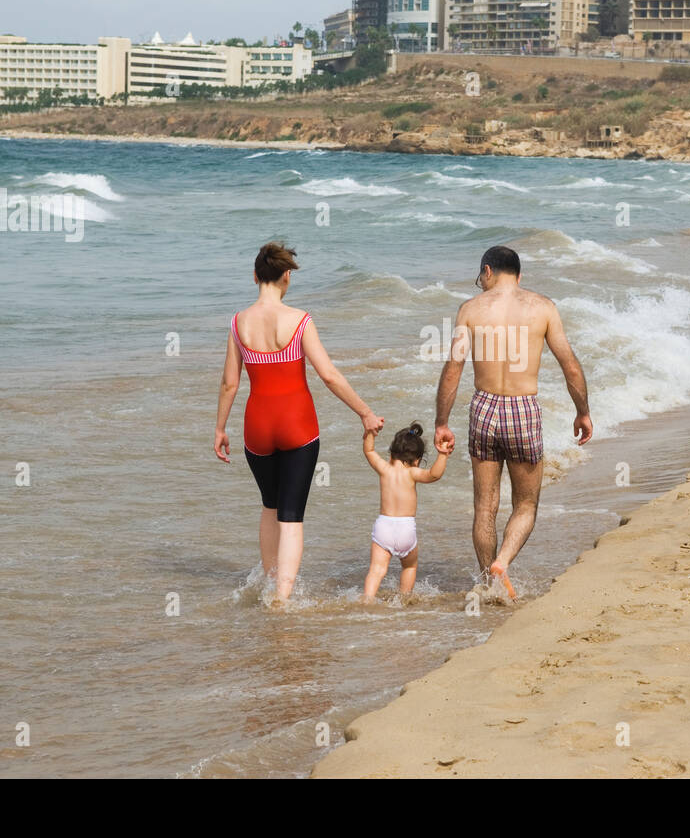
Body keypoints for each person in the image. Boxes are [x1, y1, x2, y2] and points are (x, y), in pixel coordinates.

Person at [214, 242, 384, 602]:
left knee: (268, 505)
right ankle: (282, 598)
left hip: (256, 427)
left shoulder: (237, 323)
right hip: (297, 426)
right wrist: (365, 413)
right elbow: (330, 376)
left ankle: (267, 582)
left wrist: (219, 428)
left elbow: (230, 383)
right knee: (291, 514)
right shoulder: (300, 320)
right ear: (286, 277)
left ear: (256, 277)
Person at [434, 246, 592, 598]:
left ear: (487, 272)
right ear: (519, 276)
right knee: (526, 504)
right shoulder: (543, 307)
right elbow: (569, 364)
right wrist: (582, 411)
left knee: (484, 507)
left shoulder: (471, 309)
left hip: (484, 407)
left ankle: (488, 585)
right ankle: (502, 561)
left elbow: (453, 369)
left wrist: (441, 421)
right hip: (522, 409)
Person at [360, 422, 451, 603]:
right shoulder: (413, 473)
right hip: (405, 529)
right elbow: (434, 475)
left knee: (377, 570)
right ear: (417, 459)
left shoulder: (384, 469)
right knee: (409, 566)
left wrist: (370, 432)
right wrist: (443, 454)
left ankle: (366, 601)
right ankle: (404, 600)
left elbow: (369, 451)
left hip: (384, 527)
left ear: (392, 451)